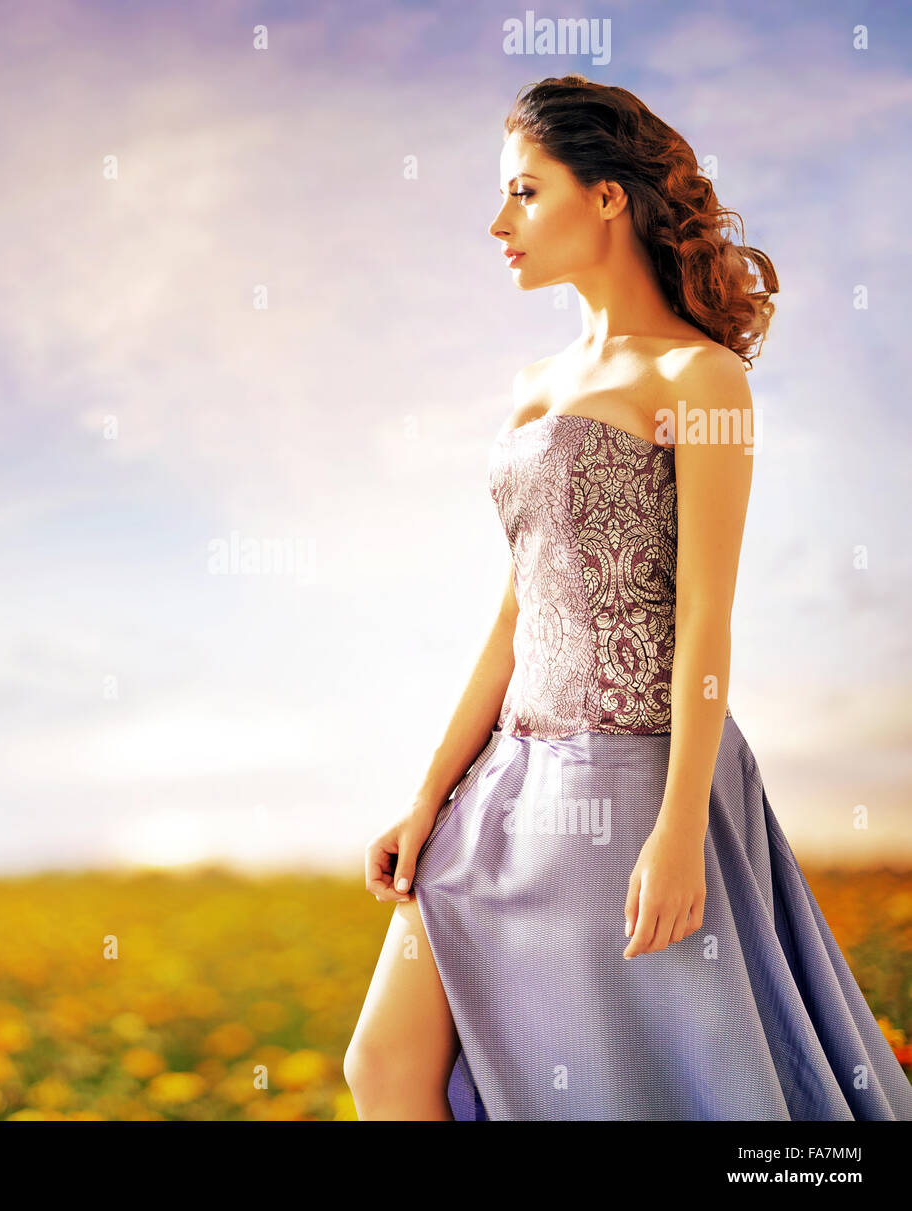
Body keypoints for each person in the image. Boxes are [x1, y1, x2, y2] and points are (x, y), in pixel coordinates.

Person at [343, 74, 912, 1122]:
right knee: (381, 1063)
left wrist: (680, 823)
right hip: (504, 782)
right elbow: (520, 608)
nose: (497, 222)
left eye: (523, 191)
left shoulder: (703, 381)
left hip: (636, 774)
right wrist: (429, 794)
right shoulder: (532, 383)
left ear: (605, 196)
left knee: (637, 1088)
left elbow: (703, 613)